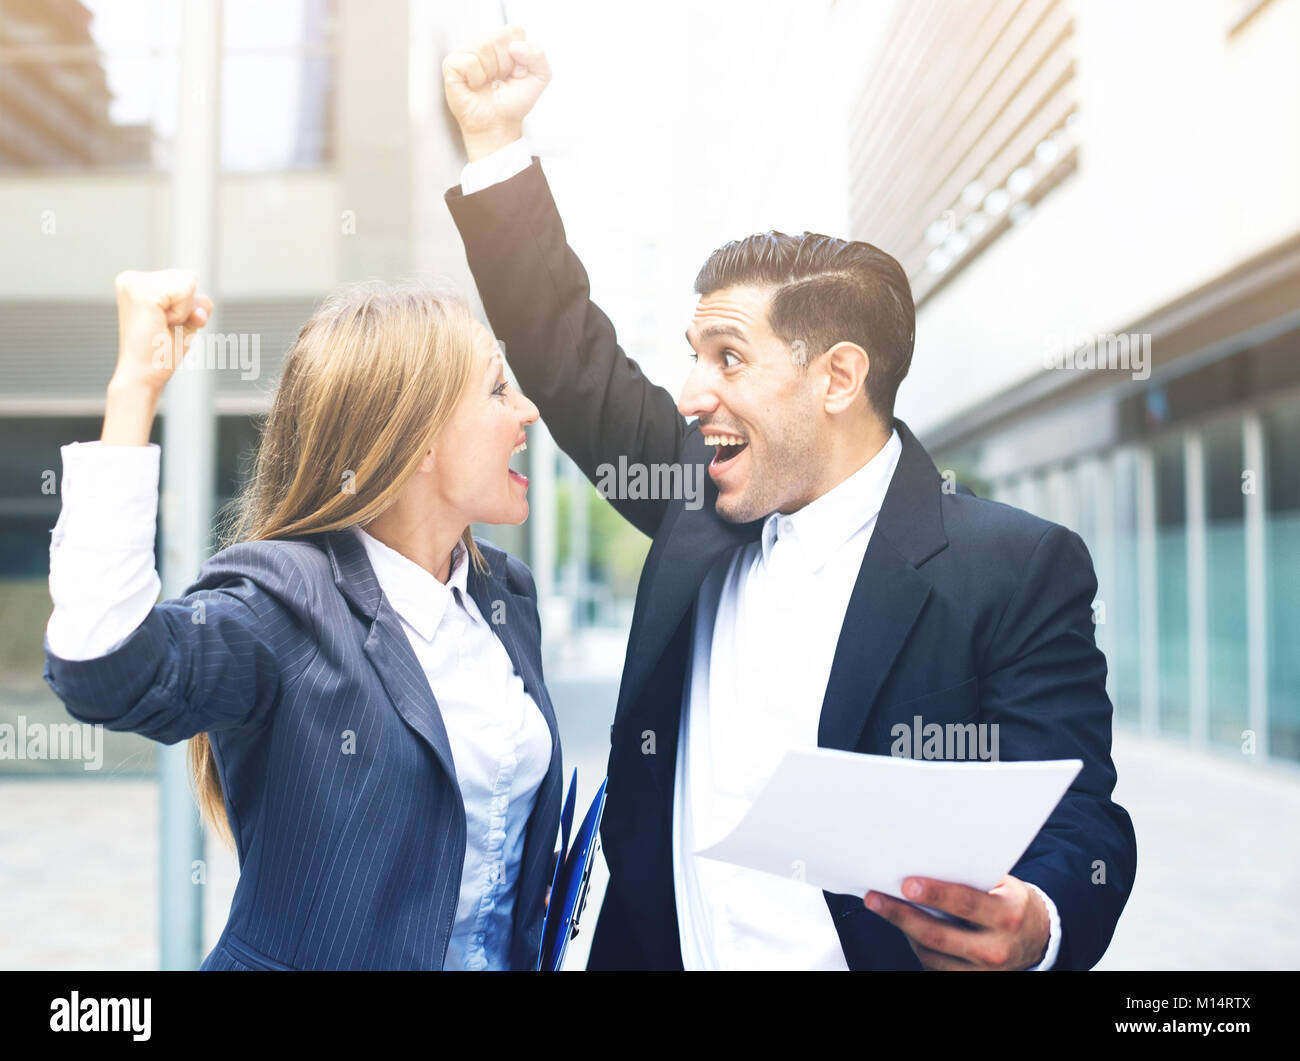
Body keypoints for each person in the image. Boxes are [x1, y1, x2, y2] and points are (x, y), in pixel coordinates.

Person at [440, 26, 1137, 970]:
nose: (692, 391)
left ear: (839, 377)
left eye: (728, 356)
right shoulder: (698, 495)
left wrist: (1039, 922)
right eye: (693, 355)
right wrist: (496, 147)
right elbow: (569, 358)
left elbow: (1079, 816)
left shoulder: (1014, 568)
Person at [43, 269, 561, 970]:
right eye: (499, 389)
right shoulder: (285, 599)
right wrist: (135, 389)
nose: (528, 411)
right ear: (419, 440)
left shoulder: (505, 595)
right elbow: (105, 670)